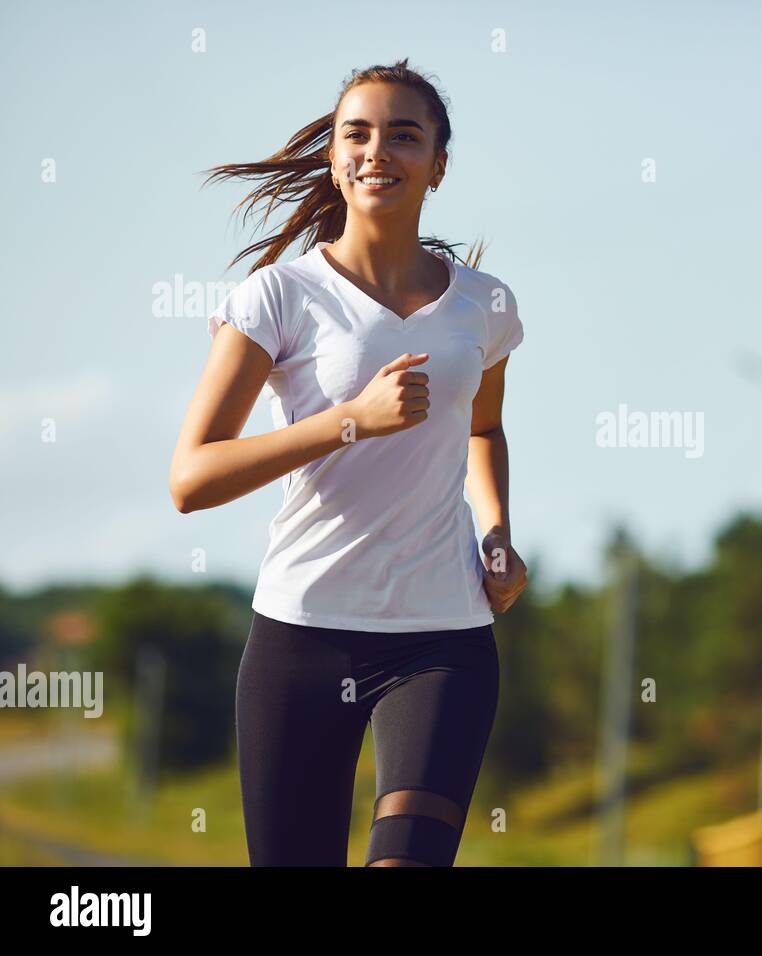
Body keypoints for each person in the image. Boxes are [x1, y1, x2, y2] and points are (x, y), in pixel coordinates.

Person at [169, 59, 527, 867]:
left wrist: (498, 532)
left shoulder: (485, 305)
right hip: (301, 636)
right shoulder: (277, 298)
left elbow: (484, 429)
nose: (378, 151)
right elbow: (191, 478)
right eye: (356, 134)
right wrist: (348, 423)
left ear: (438, 165)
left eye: (405, 135)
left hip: (443, 637)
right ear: (334, 158)